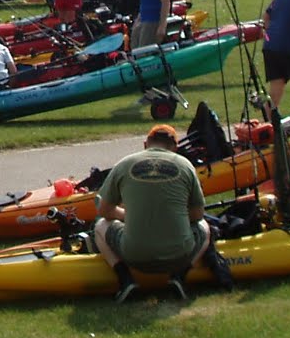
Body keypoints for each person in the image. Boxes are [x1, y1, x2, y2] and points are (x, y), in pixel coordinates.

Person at [92, 123, 231, 302]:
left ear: (145, 144)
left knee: (100, 226)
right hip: (178, 253)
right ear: (175, 147)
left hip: (134, 254)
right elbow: (197, 215)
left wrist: (128, 216)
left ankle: (125, 279)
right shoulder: (186, 166)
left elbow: (104, 210)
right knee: (204, 227)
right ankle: (179, 276)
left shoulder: (125, 164)